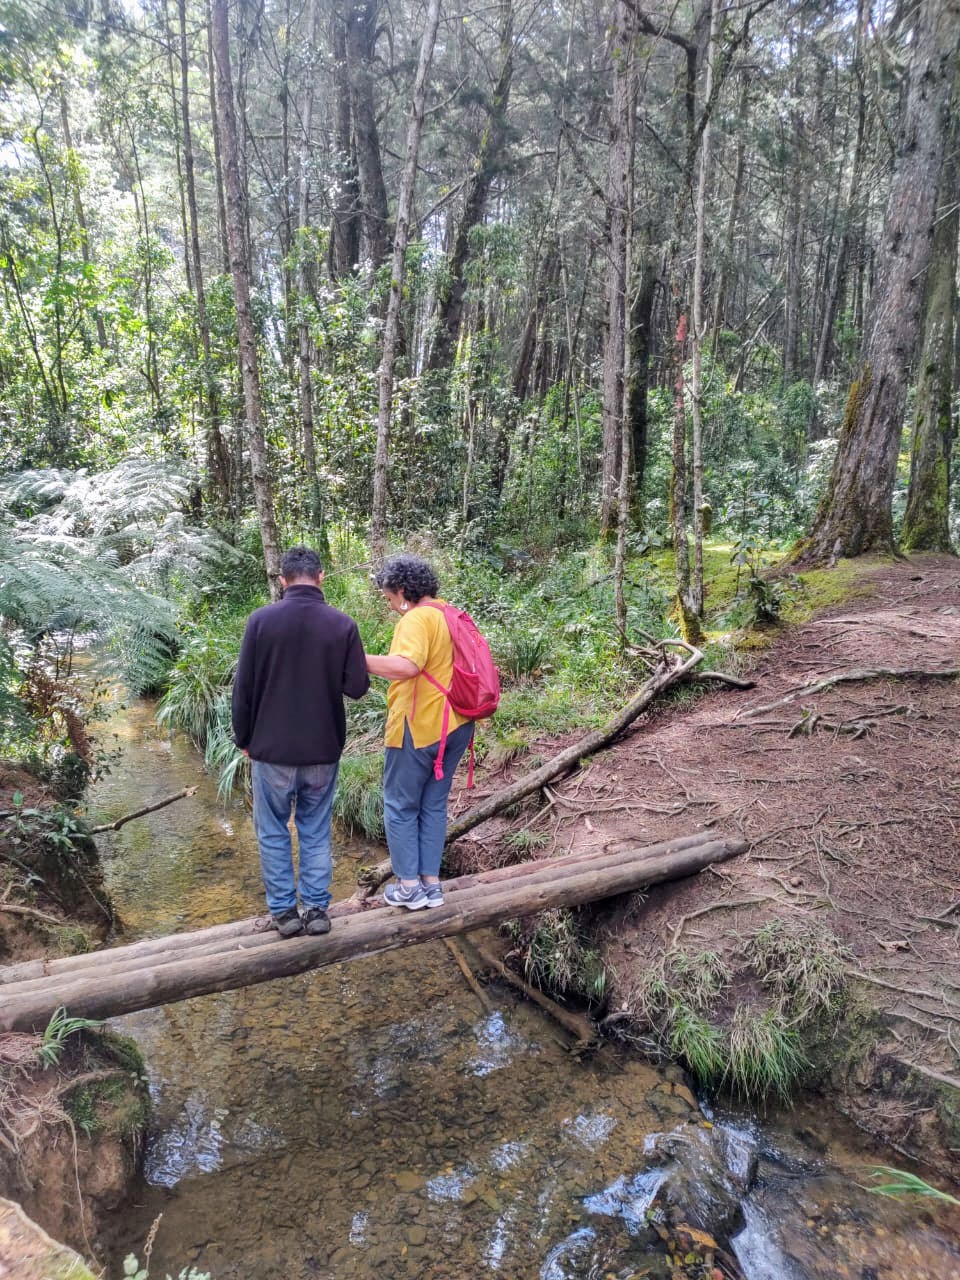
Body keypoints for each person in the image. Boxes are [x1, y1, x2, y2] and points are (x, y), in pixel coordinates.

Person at [232, 546, 369, 937]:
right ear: (321, 577)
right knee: (315, 828)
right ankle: (317, 911)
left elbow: (244, 689)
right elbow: (357, 687)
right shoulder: (342, 625)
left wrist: (244, 738)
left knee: (273, 830)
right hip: (322, 749)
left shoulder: (260, 622)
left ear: (282, 580)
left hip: (271, 749)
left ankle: (285, 914)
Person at [366, 554, 474, 910]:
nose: (391, 606)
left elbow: (407, 666)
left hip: (420, 726)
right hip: (457, 724)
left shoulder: (416, 618)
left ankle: (409, 887)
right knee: (433, 805)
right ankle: (431, 884)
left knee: (399, 805)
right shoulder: (449, 613)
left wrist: (356, 658)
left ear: (401, 591)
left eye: (389, 598)